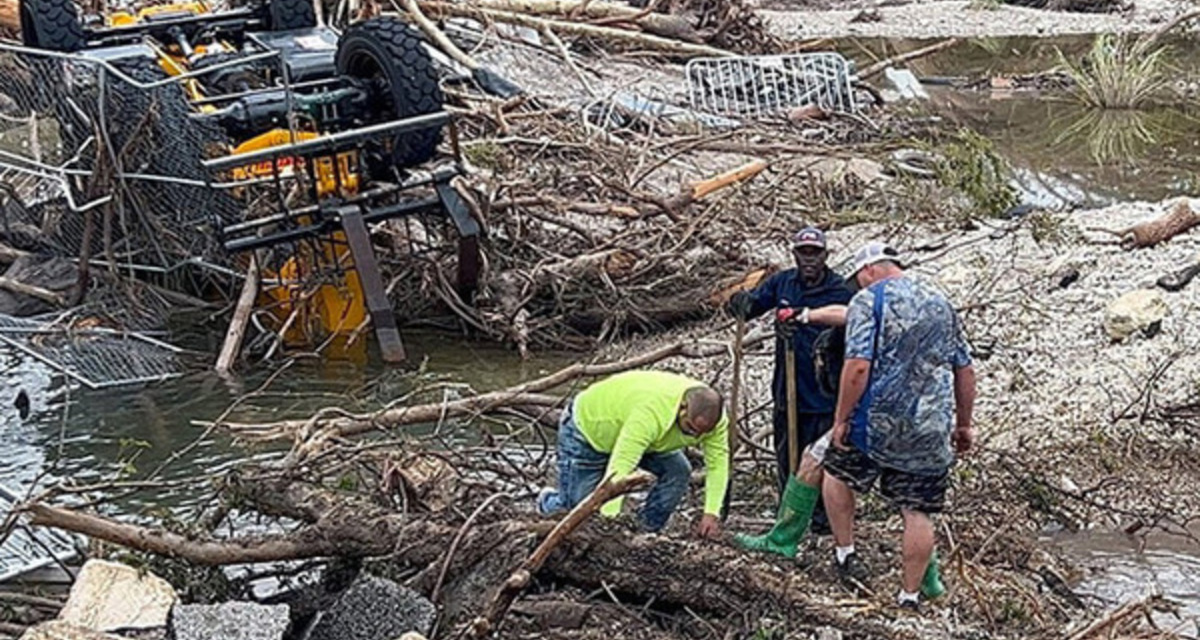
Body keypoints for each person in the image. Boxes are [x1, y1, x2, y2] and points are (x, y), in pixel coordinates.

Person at [823, 241, 977, 611]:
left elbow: (858, 365)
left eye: (858, 278)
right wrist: (964, 424)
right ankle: (909, 596)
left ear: (868, 270)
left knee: (837, 471)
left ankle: (846, 552)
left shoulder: (867, 301)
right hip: (930, 426)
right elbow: (965, 368)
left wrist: (841, 417)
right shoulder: (941, 301)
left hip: (876, 423)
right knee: (917, 512)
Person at [727, 226, 854, 536]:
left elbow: (855, 322)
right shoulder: (783, 282)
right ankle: (789, 520)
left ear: (825, 255)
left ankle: (823, 524)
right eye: (803, 252)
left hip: (826, 391)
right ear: (795, 254)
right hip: (789, 387)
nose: (809, 259)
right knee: (788, 457)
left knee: (824, 459)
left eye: (815, 253)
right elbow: (753, 305)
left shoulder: (840, 289)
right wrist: (739, 301)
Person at [537, 370, 730, 539]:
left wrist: (711, 513)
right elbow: (621, 467)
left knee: (678, 471)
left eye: (702, 434)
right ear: (682, 407)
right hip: (587, 432)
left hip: (650, 442)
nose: (696, 436)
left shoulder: (715, 421)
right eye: (690, 429)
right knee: (579, 514)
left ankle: (645, 531)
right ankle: (546, 501)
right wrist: (609, 525)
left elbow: (718, 465)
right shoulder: (651, 413)